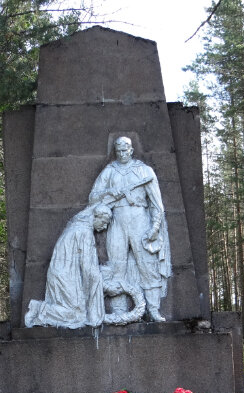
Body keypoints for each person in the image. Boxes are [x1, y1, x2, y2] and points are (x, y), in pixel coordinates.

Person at [89, 136, 171, 321]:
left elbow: (157, 205)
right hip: (116, 220)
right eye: (119, 151)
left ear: (132, 150)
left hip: (140, 219)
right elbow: (93, 196)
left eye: (125, 150)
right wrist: (109, 192)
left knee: (148, 265)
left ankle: (153, 309)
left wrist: (155, 228)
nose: (122, 154)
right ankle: (119, 311)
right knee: (117, 266)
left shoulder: (144, 171)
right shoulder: (110, 171)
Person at [24, 204, 112, 328]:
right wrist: (101, 280)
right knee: (77, 316)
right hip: (66, 276)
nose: (105, 226)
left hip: (62, 273)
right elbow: (87, 267)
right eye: (104, 222)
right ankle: (39, 309)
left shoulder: (76, 226)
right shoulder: (85, 233)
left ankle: (41, 309)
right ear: (96, 216)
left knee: (75, 313)